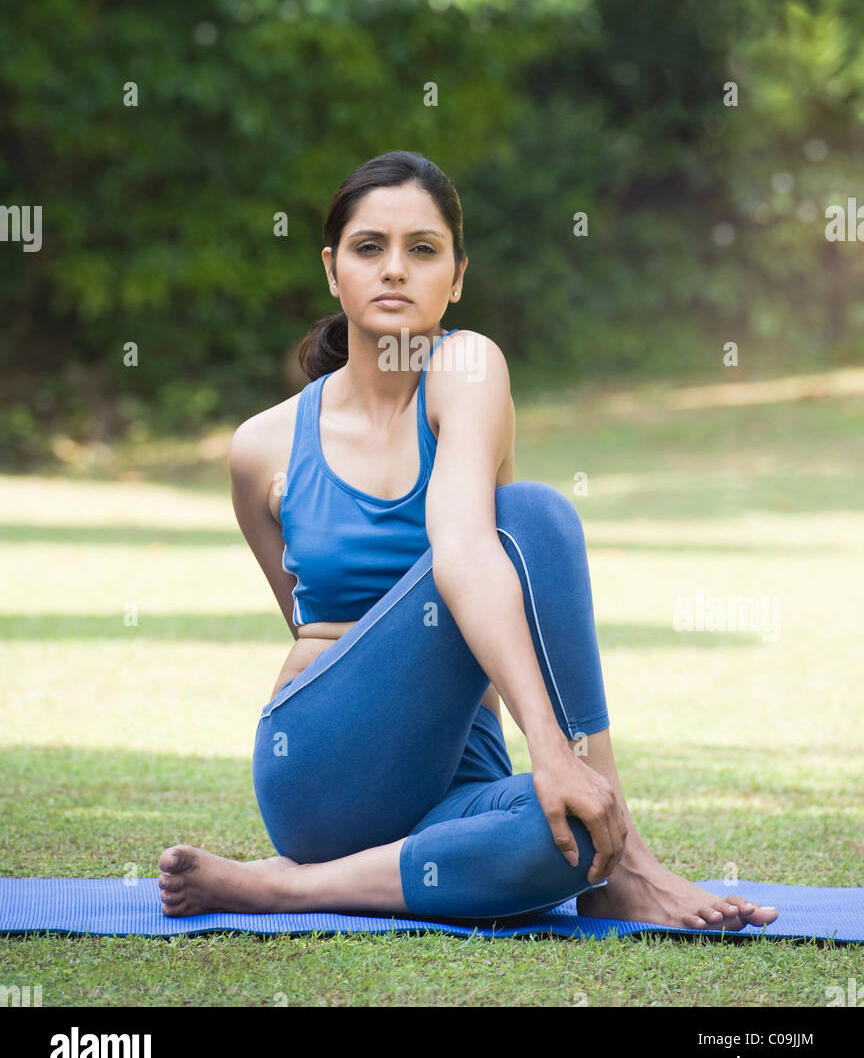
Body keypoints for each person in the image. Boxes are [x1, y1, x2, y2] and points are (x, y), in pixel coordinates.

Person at [157, 150, 779, 931]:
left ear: (455, 278)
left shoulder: (468, 368)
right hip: (323, 774)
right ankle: (278, 885)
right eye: (368, 248)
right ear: (331, 270)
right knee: (538, 517)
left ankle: (615, 861)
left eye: (422, 250)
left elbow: (468, 550)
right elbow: (319, 621)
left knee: (575, 835)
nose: (394, 270)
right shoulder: (262, 447)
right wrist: (549, 748)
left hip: (462, 767)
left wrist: (551, 758)